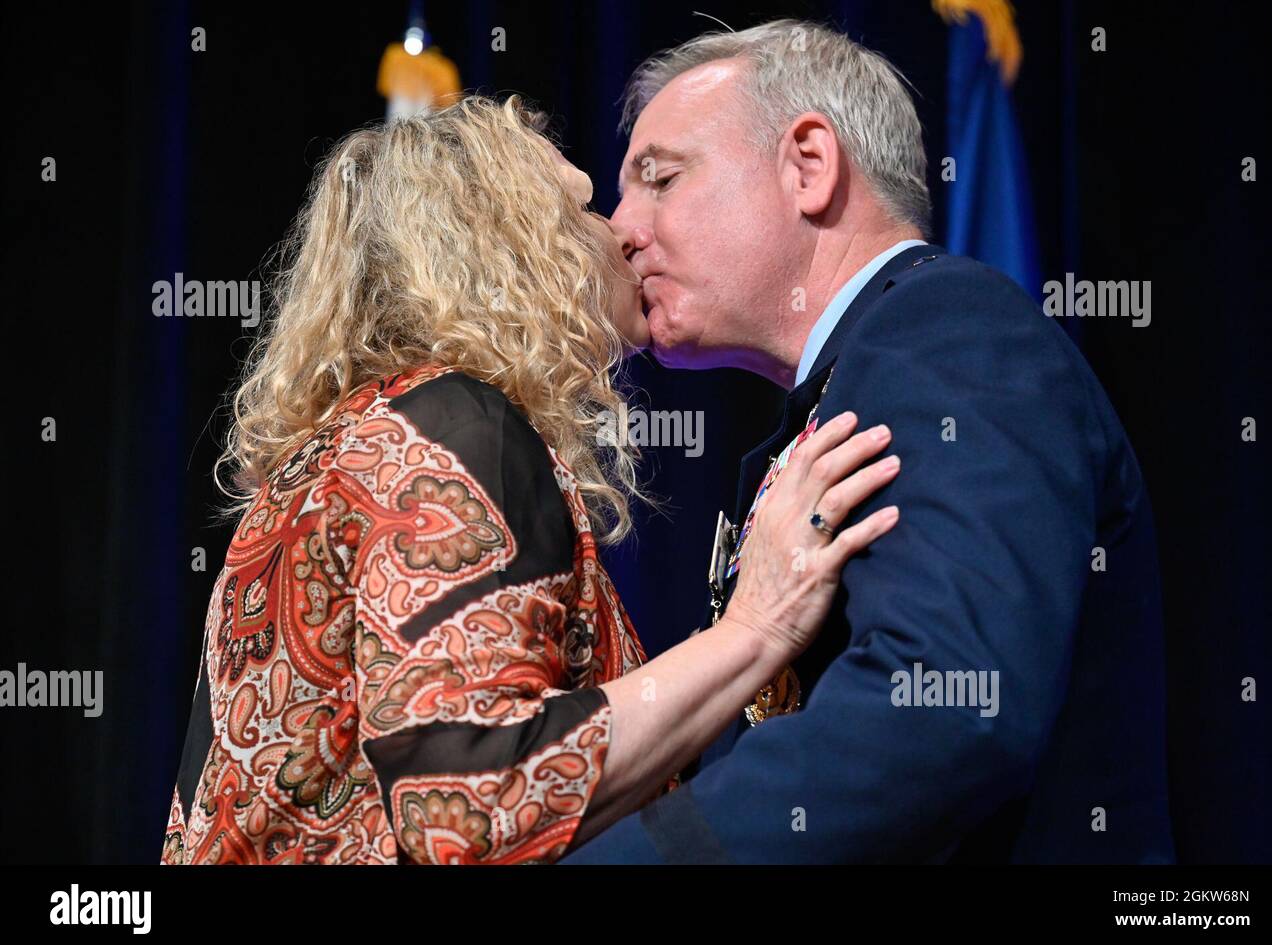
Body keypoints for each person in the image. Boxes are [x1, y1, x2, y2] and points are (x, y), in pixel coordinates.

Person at [159, 95, 901, 865]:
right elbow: (471, 801)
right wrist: (757, 630)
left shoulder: (357, 438)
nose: (619, 231)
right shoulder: (452, 427)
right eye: (583, 209)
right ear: (512, 244)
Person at [565, 19, 1174, 863]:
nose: (621, 228)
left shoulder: (952, 335)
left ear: (808, 166)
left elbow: (947, 705)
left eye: (660, 179)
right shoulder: (866, 371)